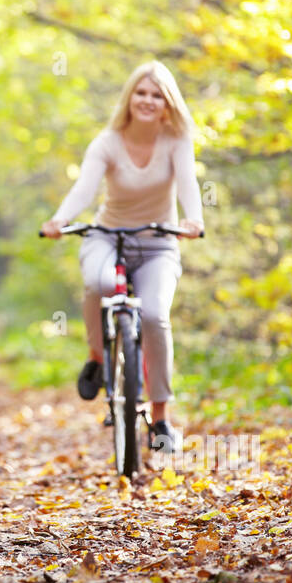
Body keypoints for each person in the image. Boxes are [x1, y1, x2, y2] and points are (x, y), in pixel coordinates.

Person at [40, 61, 203, 451]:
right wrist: (62, 219)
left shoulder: (177, 138)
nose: (147, 101)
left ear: (167, 103)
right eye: (141, 93)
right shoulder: (108, 140)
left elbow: (188, 183)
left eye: (156, 95)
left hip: (159, 243)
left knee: (154, 316)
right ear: (129, 98)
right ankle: (97, 356)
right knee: (97, 282)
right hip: (107, 236)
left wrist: (193, 219)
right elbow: (85, 187)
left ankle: (161, 419)